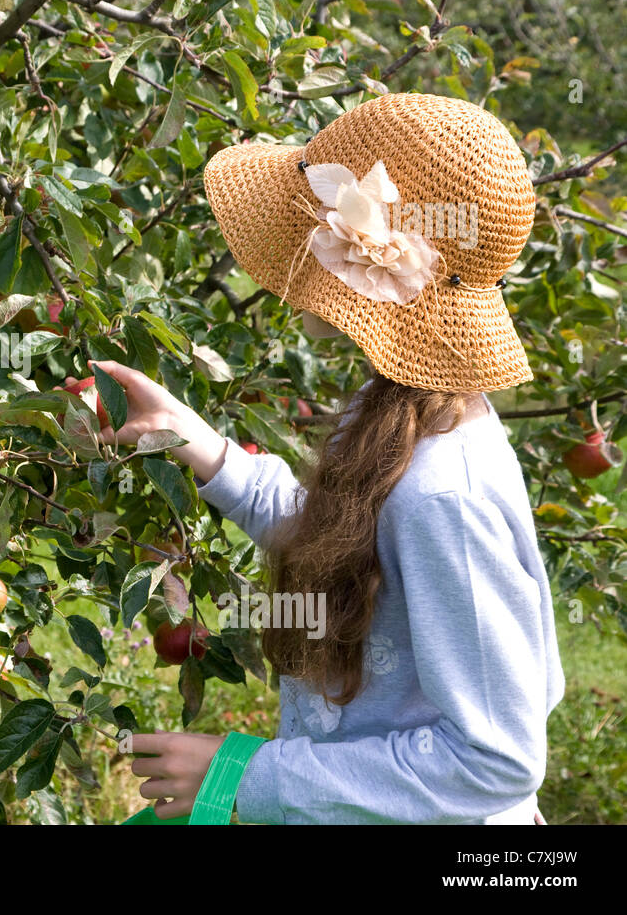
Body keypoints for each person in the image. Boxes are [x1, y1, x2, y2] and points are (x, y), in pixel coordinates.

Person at [104, 92, 564, 824]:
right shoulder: (395, 413)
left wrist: (248, 774)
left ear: (364, 266)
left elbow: (497, 760)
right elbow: (343, 540)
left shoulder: (443, 493)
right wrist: (201, 444)